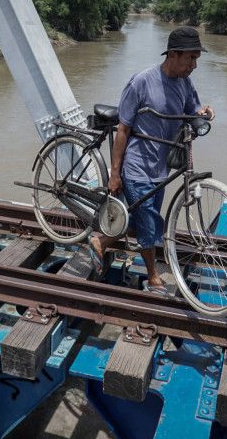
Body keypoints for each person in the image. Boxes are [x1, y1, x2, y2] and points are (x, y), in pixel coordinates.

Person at [89, 26, 215, 291]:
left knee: (139, 219)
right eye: (190, 58)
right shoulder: (142, 82)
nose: (194, 65)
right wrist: (114, 174)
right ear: (172, 54)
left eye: (196, 59)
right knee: (148, 223)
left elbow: (192, 110)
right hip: (137, 166)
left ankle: (100, 242)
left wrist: (203, 111)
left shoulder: (185, 83)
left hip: (161, 168)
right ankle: (153, 276)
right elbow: (123, 129)